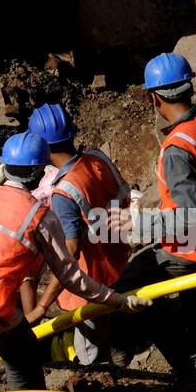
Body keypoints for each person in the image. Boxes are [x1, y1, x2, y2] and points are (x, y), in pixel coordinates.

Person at [0, 131, 150, 392]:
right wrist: (116, 300)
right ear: (37, 174)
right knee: (22, 352)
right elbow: (71, 276)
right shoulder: (39, 215)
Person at [114, 52, 196, 387]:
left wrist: (139, 225)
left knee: (130, 286)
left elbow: (189, 219)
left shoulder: (177, 149)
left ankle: (195, 364)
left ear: (155, 98)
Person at [26, 103, 132, 367]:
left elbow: (70, 255)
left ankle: (105, 391)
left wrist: (42, 306)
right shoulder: (99, 159)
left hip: (89, 284)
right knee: (106, 324)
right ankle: (117, 351)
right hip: (116, 261)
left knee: (91, 357)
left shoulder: (64, 193)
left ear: (43, 147)